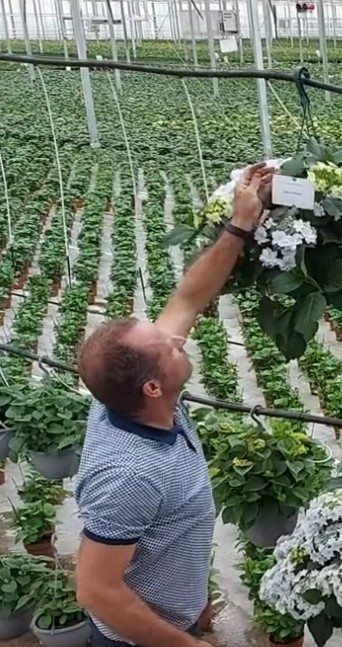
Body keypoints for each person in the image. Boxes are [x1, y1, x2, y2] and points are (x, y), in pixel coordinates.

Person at [74, 163, 274, 647]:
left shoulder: (127, 402)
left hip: (170, 617)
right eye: (165, 346)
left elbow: (188, 298)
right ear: (152, 387)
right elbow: (96, 590)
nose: (176, 338)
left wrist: (240, 224)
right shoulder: (131, 474)